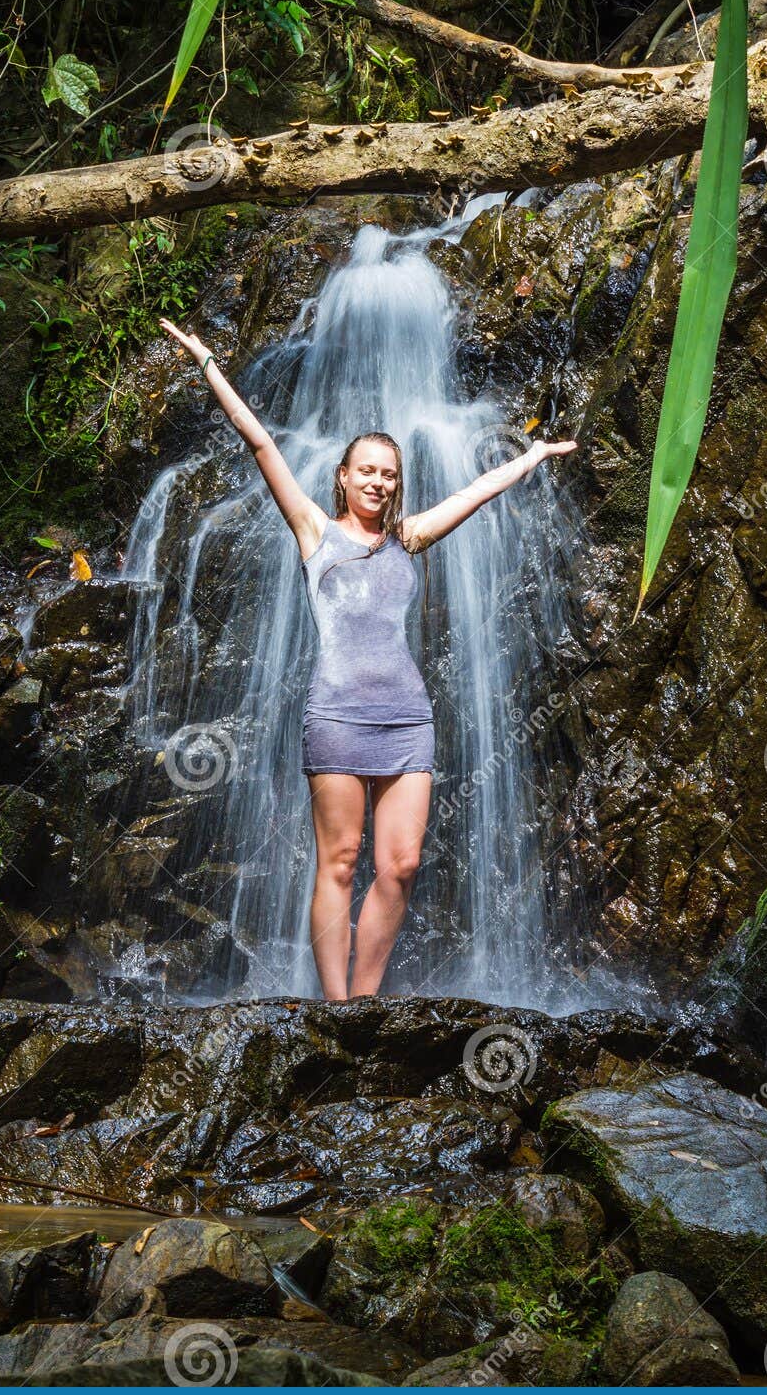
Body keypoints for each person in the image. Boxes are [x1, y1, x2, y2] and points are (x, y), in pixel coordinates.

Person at [158, 317, 578, 1000]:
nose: (379, 483)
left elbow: (473, 494)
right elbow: (259, 439)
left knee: (401, 863)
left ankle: (366, 998)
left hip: (407, 720)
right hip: (336, 716)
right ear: (343, 477)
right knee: (341, 861)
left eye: (389, 474)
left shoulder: (408, 539)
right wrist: (207, 362)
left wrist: (528, 460)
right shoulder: (313, 532)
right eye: (368, 472)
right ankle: (335, 1005)